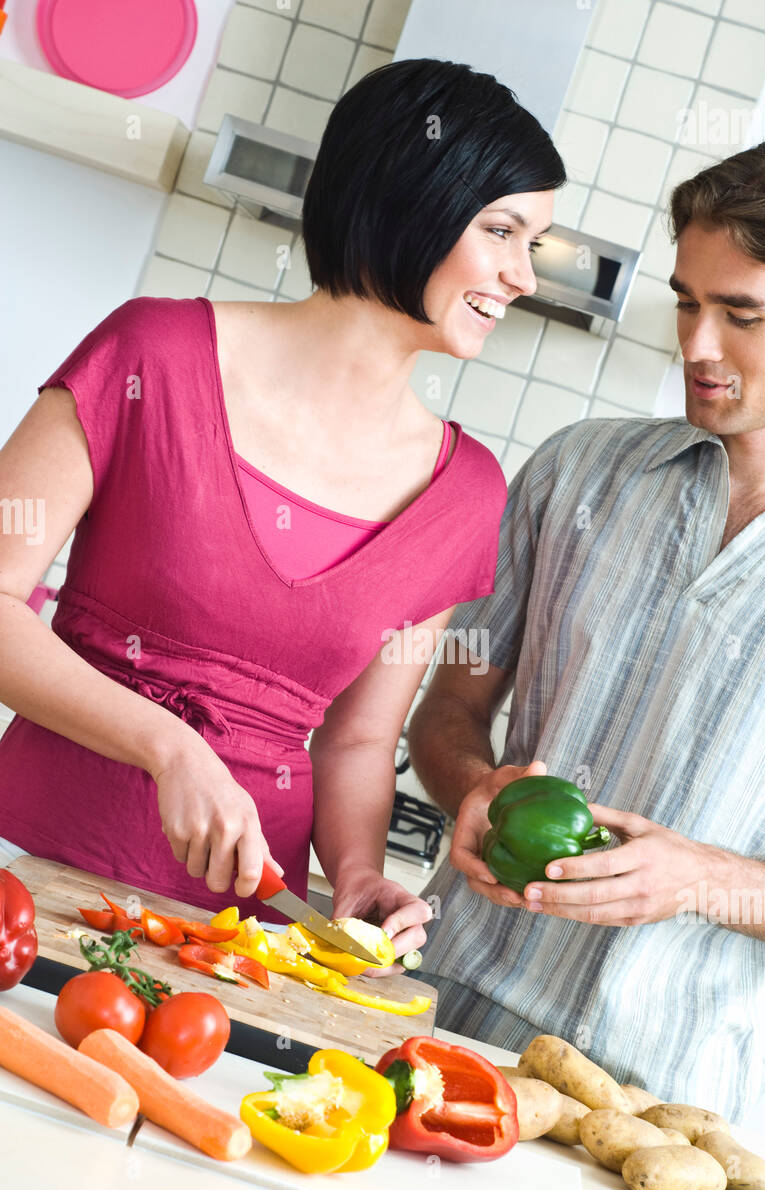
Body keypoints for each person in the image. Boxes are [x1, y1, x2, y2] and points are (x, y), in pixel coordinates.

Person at [0, 58, 563, 953]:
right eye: (503, 231)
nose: (524, 277)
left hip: (238, 940)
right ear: (407, 198)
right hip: (26, 877)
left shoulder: (465, 493)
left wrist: (358, 873)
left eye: (533, 244)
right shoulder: (154, 353)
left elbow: (356, 743)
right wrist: (171, 747)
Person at [408, 136, 765, 1119]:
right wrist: (472, 786)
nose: (696, 345)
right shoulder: (576, 471)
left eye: (741, 314)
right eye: (687, 302)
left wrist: (701, 879)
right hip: (436, 1016)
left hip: (653, 1099)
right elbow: (448, 705)